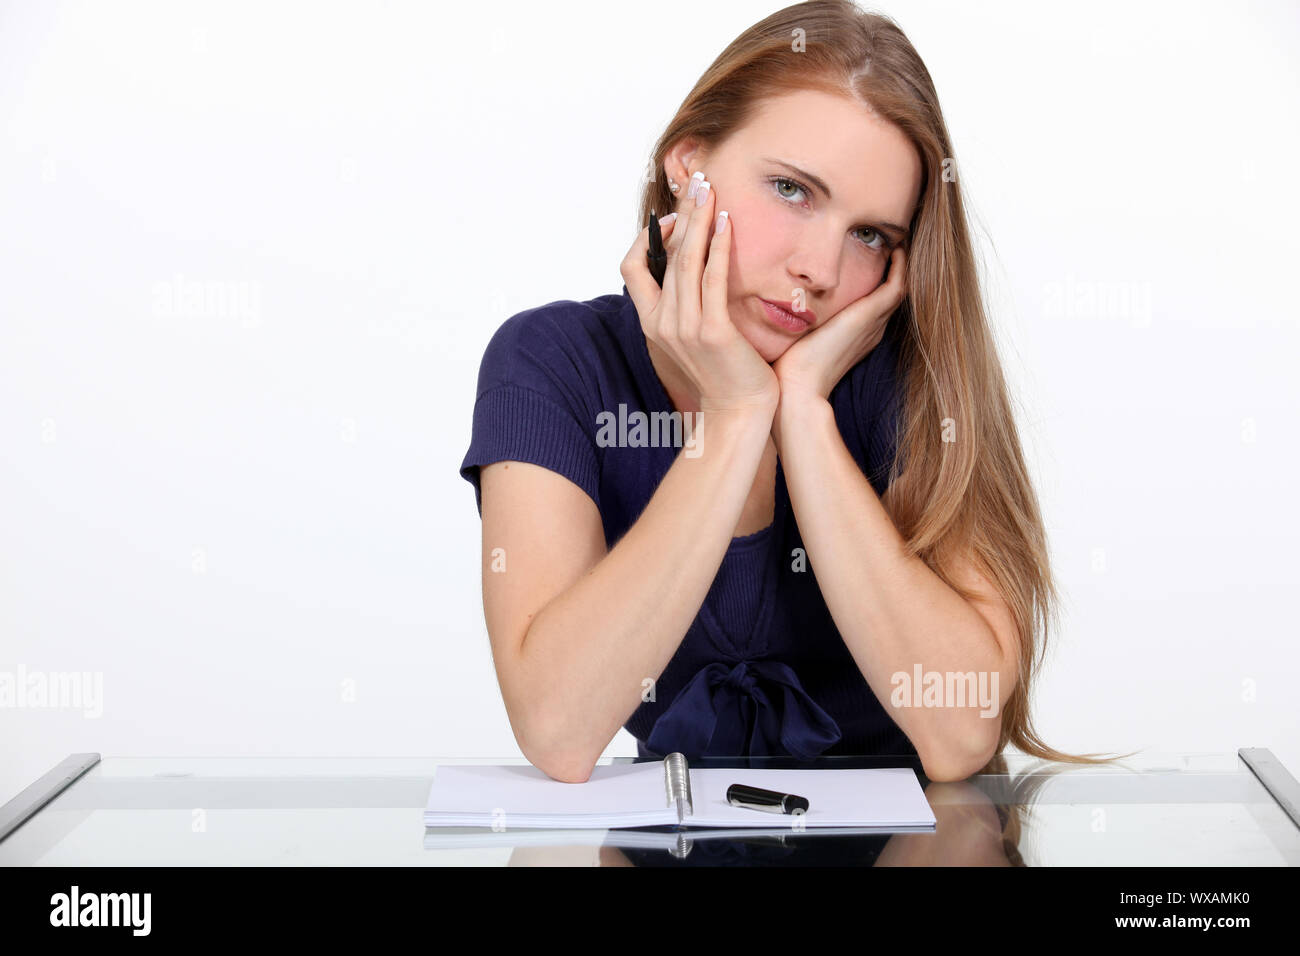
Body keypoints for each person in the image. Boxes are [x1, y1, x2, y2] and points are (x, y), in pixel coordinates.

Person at [460, 0, 1125, 783]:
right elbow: (557, 728)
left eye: (870, 235)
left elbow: (960, 733)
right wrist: (739, 416)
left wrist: (803, 412)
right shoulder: (553, 364)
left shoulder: (913, 378)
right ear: (687, 164)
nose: (821, 269)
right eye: (791, 189)